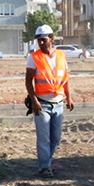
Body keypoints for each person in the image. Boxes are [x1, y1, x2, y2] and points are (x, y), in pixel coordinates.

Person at [25, 25, 73, 177]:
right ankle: (45, 167)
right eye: (38, 40)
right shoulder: (34, 57)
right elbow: (28, 82)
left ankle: (47, 162)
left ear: (51, 39)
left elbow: (65, 79)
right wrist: (34, 101)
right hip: (42, 104)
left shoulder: (61, 56)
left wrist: (69, 98)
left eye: (43, 40)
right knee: (44, 137)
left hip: (58, 103)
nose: (40, 43)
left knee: (56, 137)